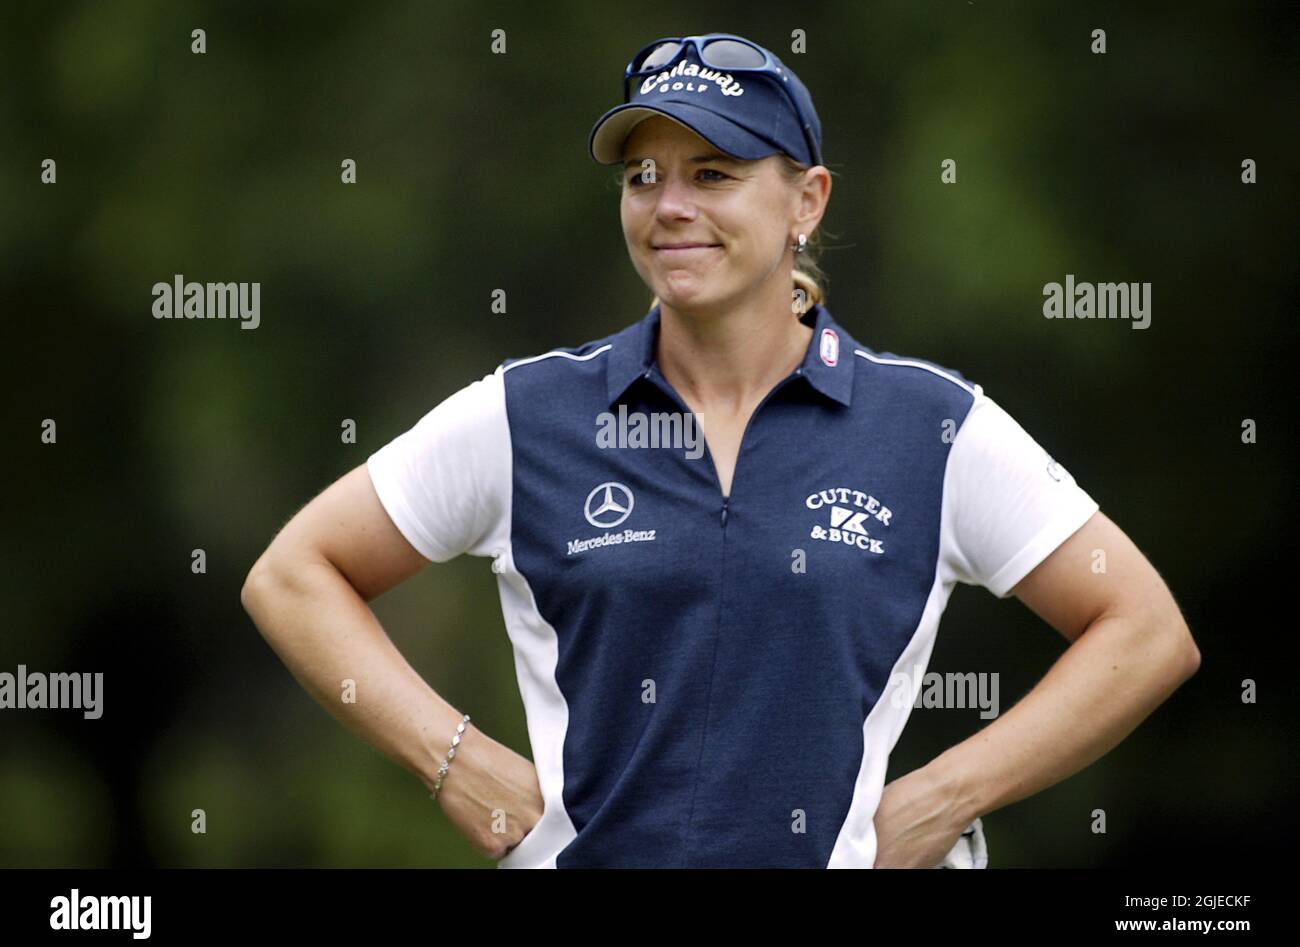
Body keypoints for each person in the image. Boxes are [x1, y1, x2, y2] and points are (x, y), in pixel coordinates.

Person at [241, 33, 1200, 869]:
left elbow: (1144, 630)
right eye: (641, 176)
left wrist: (949, 793)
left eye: (713, 174)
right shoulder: (526, 414)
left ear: (807, 202)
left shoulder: (932, 428)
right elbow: (294, 574)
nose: (668, 207)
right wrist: (455, 760)